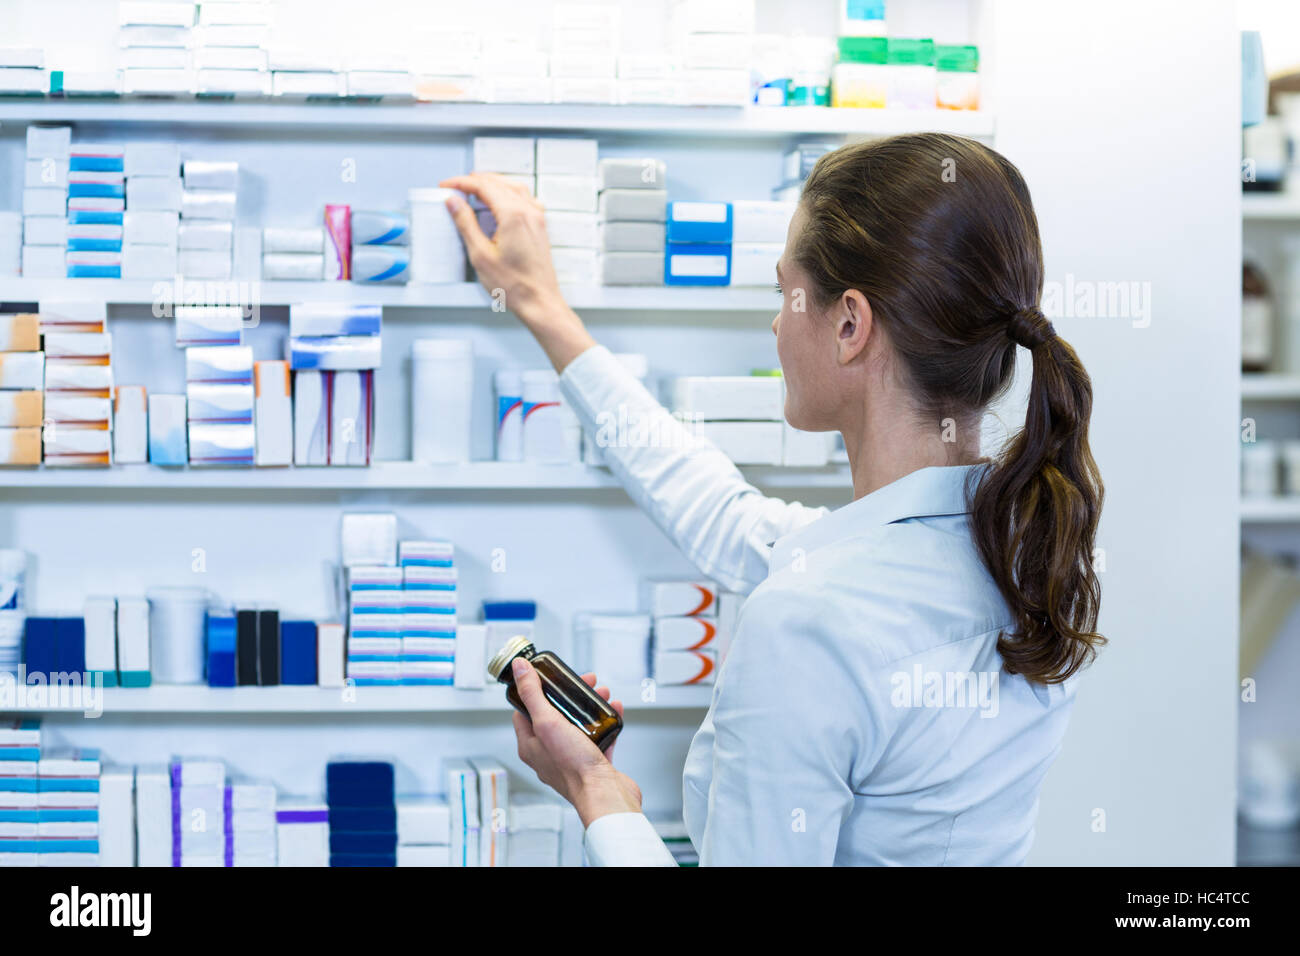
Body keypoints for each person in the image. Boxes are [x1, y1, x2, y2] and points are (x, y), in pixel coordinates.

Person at [440, 132, 1105, 866]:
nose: (776, 322)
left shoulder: (810, 621)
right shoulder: (1023, 552)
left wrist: (598, 794)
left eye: (785, 292)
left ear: (850, 324)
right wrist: (542, 305)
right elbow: (724, 514)